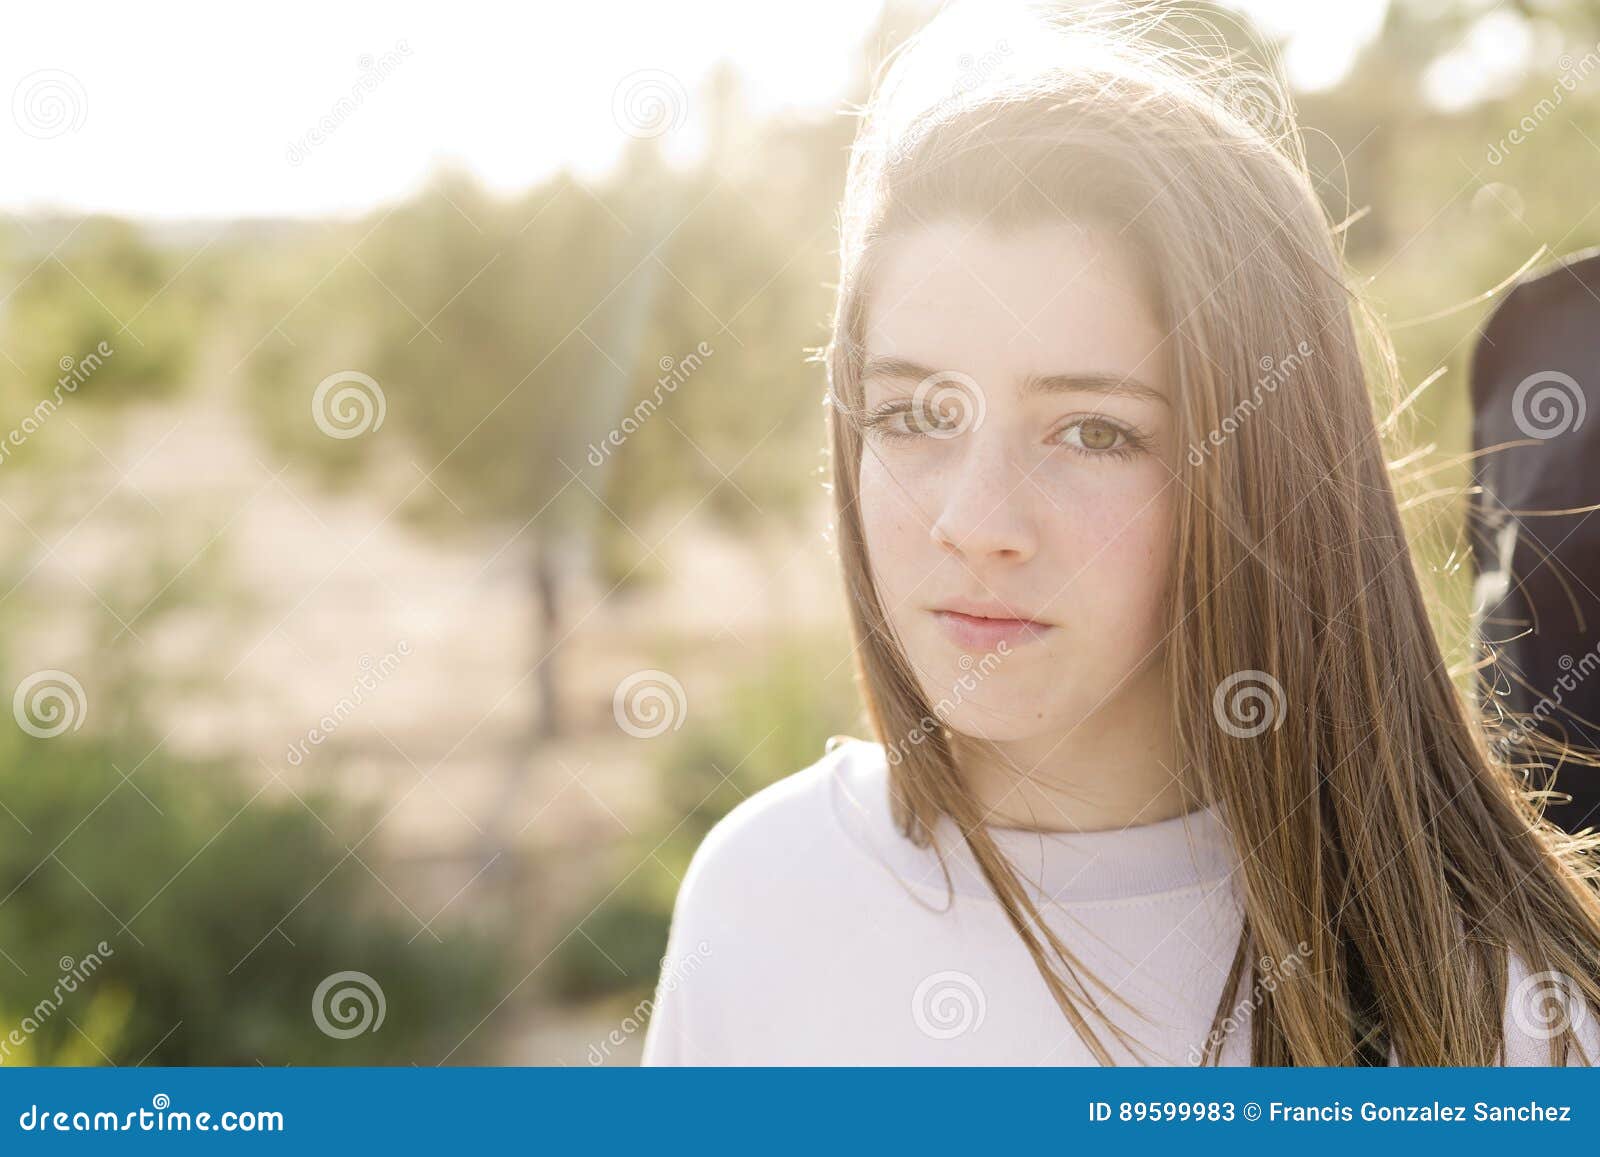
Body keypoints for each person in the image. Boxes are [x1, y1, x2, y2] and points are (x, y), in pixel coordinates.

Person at [640, 0, 1600, 1065]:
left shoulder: (1503, 1008)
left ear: (1261, 468)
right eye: (915, 414)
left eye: (1093, 431)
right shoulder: (762, 900)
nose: (973, 522)